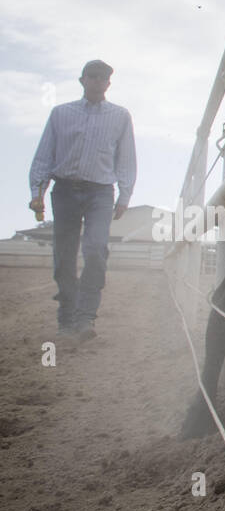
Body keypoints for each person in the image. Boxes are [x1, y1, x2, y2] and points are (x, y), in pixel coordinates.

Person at [28, 59, 137, 339]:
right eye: (93, 76)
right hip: (64, 189)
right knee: (64, 254)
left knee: (95, 249)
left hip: (100, 192)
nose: (98, 81)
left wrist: (125, 194)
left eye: (103, 78)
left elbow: (125, 158)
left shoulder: (120, 116)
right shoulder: (60, 114)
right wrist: (37, 192)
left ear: (108, 84)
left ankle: (86, 316)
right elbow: (44, 155)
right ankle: (66, 317)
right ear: (82, 80)